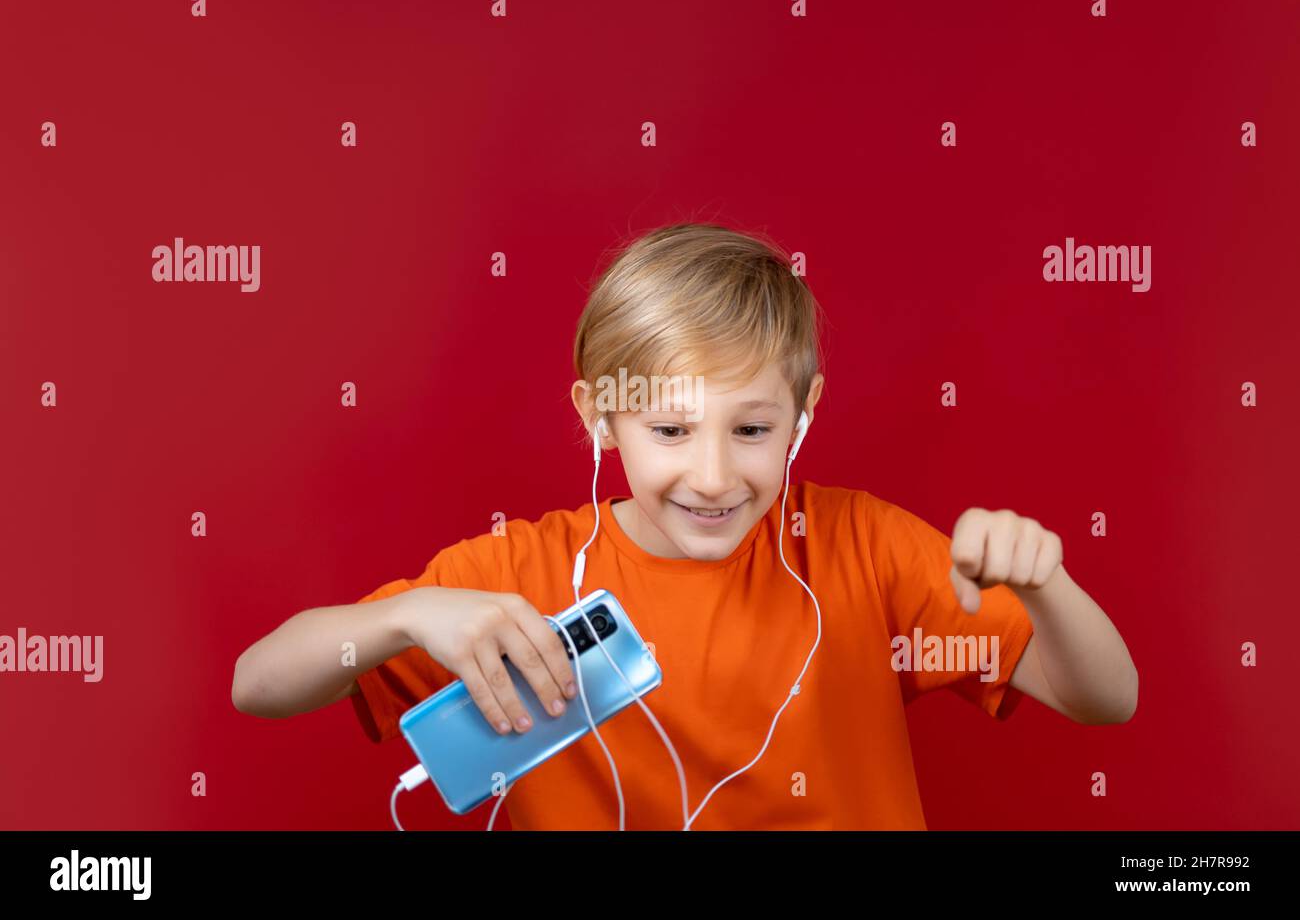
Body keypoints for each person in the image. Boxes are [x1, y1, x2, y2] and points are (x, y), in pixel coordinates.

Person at [232, 222, 1139, 829]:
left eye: (751, 430)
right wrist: (403, 619)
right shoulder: (521, 571)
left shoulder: (866, 549)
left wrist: (1045, 587)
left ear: (805, 414)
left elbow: (1106, 698)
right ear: (599, 416)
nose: (712, 476)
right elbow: (258, 683)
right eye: (669, 430)